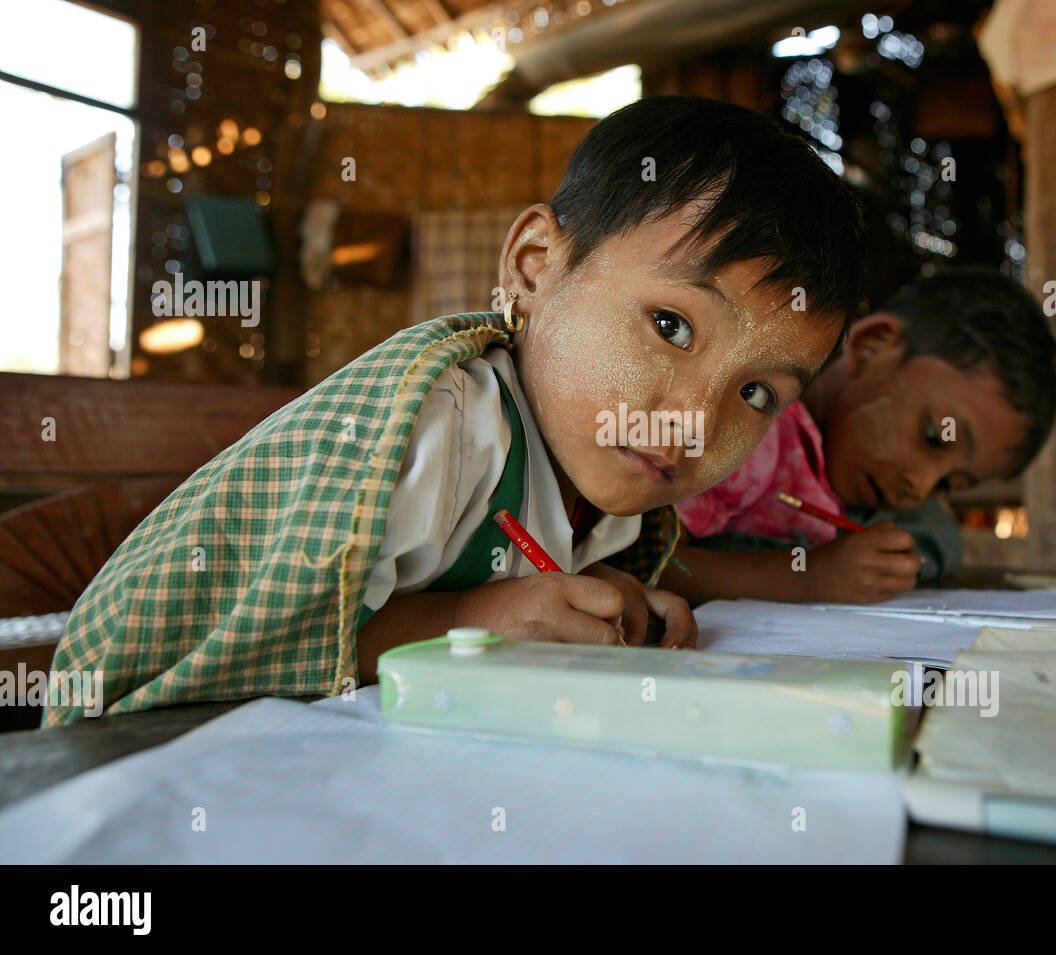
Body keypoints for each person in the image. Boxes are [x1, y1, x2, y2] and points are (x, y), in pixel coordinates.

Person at [43, 96, 869, 725]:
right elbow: (264, 646)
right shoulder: (442, 425)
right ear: (536, 267)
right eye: (671, 325)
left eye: (757, 393)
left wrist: (597, 599)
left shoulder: (601, 488)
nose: (696, 418)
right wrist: (481, 620)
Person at [661, 266, 1056, 606]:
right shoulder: (756, 434)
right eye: (933, 437)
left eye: (950, 483)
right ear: (872, 347)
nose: (919, 486)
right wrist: (808, 578)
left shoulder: (853, 482)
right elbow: (649, 563)